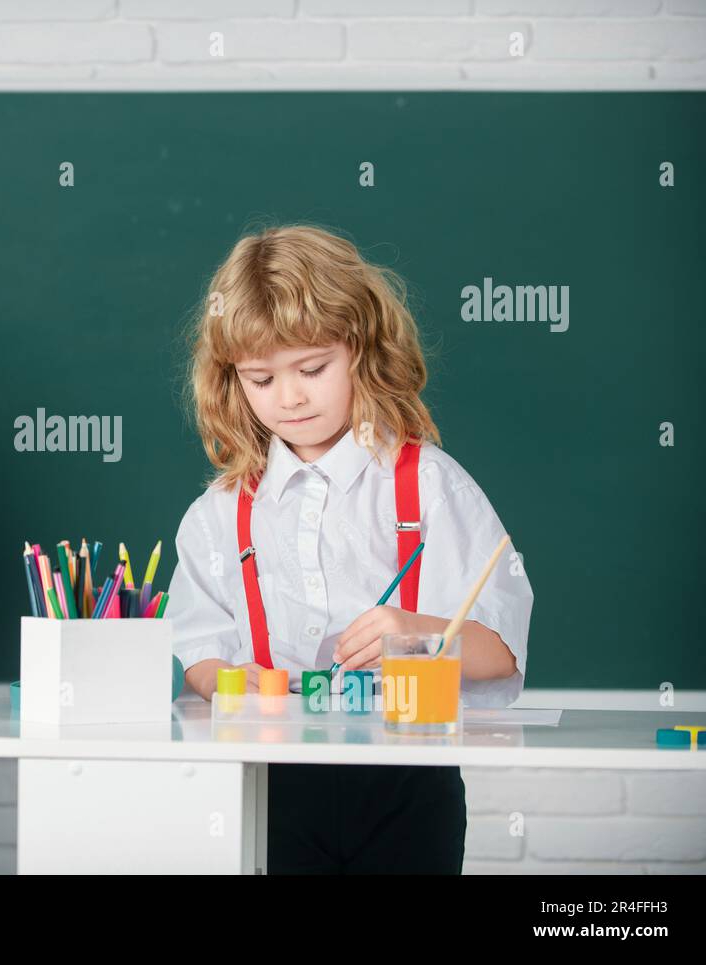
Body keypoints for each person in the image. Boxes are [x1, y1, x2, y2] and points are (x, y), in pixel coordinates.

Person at [168, 225, 534, 874]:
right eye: (260, 378)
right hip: (270, 782)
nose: (290, 396)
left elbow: (502, 651)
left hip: (409, 783)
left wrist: (420, 632)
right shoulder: (220, 513)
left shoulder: (428, 485)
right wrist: (224, 680)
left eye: (312, 368)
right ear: (231, 381)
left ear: (361, 348)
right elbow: (199, 644)